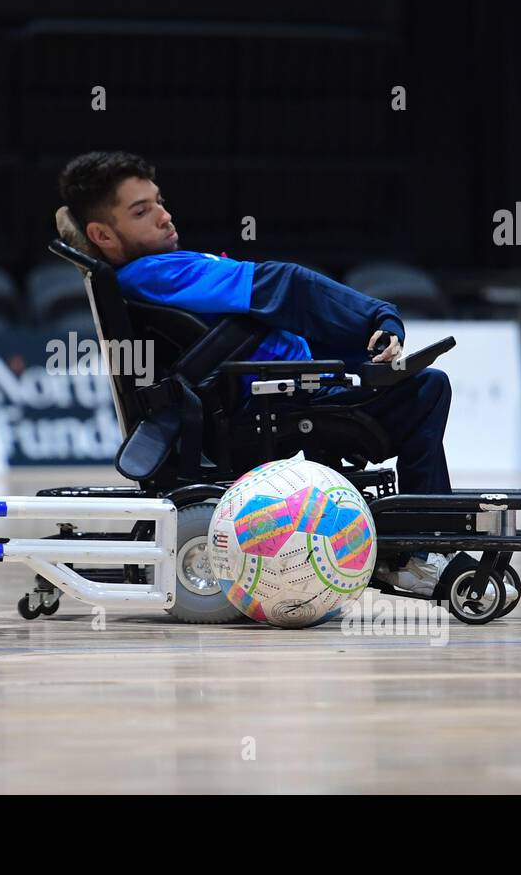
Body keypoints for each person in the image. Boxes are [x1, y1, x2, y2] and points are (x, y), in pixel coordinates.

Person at [57, 150, 467, 594]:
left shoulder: (155, 273)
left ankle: (384, 544)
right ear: (102, 234)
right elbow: (284, 284)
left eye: (159, 200)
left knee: (412, 383)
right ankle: (424, 553)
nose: (164, 216)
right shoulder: (155, 274)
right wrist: (378, 316)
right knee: (425, 389)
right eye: (142, 211)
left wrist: (364, 351)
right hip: (271, 404)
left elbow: (274, 315)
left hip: (284, 387)